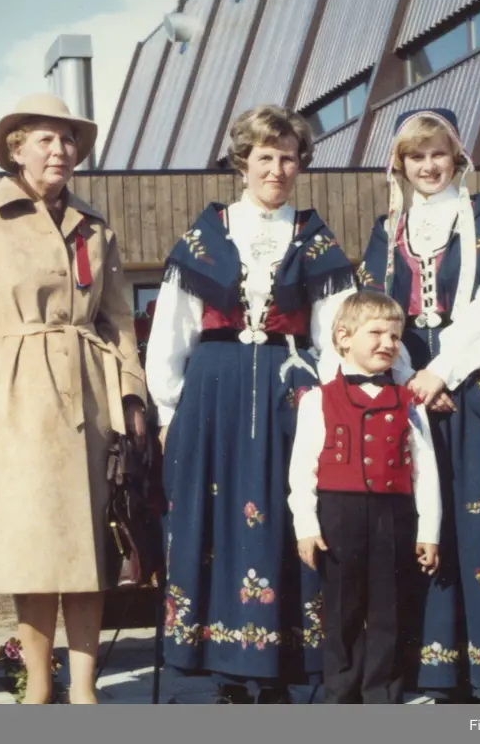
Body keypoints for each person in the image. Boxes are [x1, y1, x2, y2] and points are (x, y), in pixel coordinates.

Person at [145, 104, 356, 704]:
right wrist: (167, 409)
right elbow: (172, 332)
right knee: (214, 521)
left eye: (288, 157)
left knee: (289, 514)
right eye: (265, 156)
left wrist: (335, 404)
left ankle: (282, 664)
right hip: (213, 394)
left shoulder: (314, 238)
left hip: (293, 394)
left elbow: (335, 330)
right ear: (243, 162)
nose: (277, 169)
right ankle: (227, 669)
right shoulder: (204, 238)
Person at [0, 93, 148, 705]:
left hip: (90, 392)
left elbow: (119, 320)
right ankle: (38, 688)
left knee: (88, 546)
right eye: (45, 140)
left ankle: (84, 689)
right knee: (33, 549)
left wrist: (132, 396)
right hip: (16, 397)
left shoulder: (97, 224)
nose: (59, 151)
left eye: (68, 141)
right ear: (16, 149)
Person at [359, 107, 480, 703]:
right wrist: (410, 375)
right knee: (428, 525)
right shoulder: (388, 232)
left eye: (437, 154)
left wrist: (442, 370)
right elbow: (373, 310)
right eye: (415, 157)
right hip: (414, 398)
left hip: (472, 398)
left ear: (457, 157)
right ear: (400, 164)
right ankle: (437, 669)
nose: (427, 166)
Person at [288, 291, 442, 704]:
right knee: (341, 611)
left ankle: (382, 698)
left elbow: (425, 471)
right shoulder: (319, 399)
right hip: (339, 515)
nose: (388, 344)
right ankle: (340, 697)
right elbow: (302, 471)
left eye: (395, 336)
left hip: (394, 516)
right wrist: (306, 526)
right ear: (343, 337)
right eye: (376, 333)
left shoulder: (410, 402)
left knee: (388, 610)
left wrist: (429, 531)